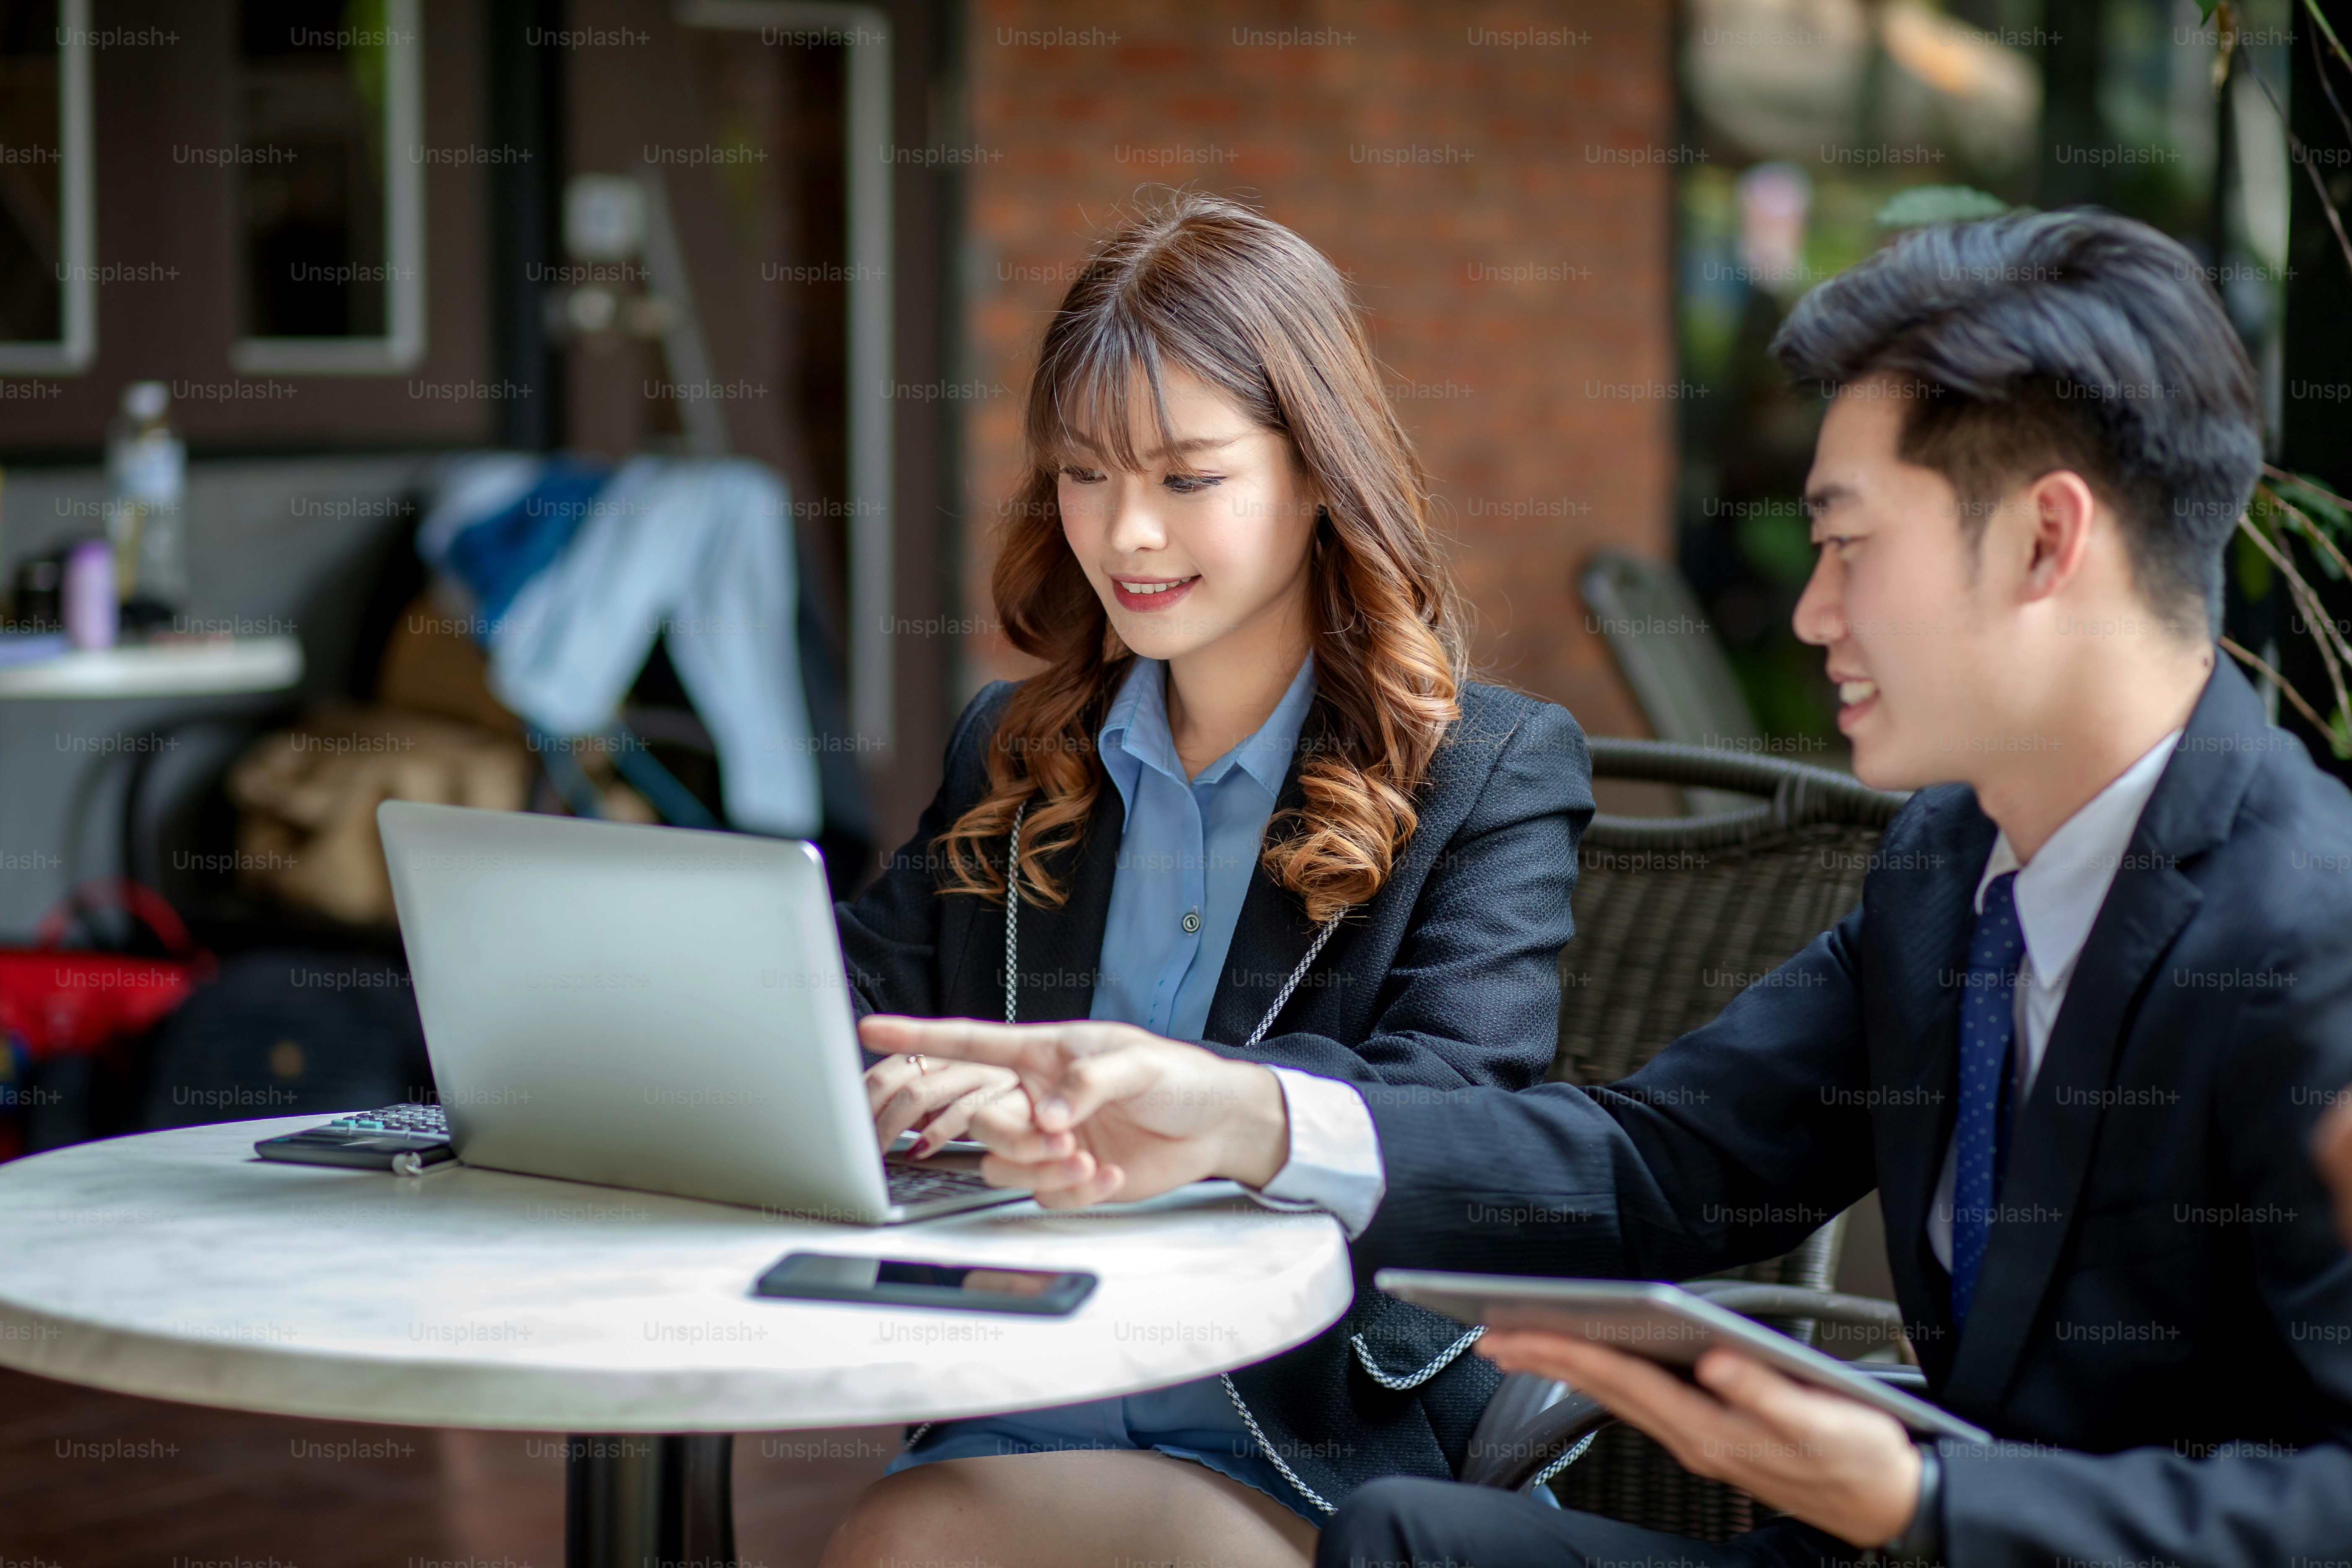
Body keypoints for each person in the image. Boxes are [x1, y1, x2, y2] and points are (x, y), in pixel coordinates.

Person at [867, 208, 2352, 1564]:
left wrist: (1925, 1500)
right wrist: (1247, 1117)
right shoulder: (1954, 871)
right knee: (1406, 1546)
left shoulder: (2308, 939)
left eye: (1845, 544)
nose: (1815, 610)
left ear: (2046, 540)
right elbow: (1654, 1169)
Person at [818, 191, 1593, 1568]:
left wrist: (1140, 1101)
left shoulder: (1490, 769)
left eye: (1187, 478)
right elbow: (853, 995)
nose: (1125, 536)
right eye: (1085, 474)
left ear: (1315, 474)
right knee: (909, 1536)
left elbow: (1454, 1107)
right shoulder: (1014, 746)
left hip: (1307, 1425)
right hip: (1031, 1389)